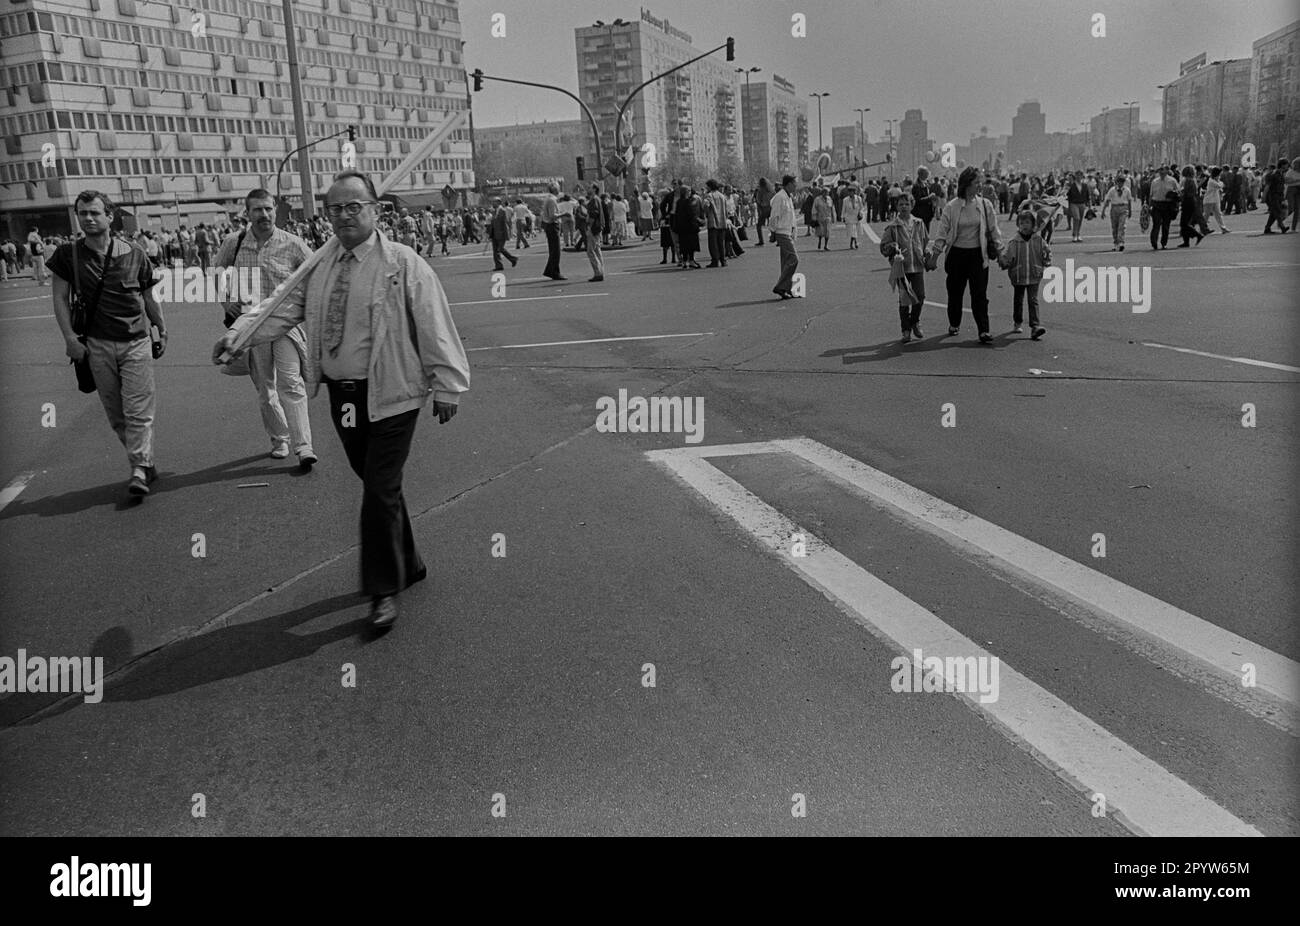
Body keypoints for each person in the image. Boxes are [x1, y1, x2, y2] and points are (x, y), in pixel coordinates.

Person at [213, 170, 470, 630]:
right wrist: (239, 335)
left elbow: (434, 322)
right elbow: (282, 304)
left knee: (378, 486)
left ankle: (381, 591)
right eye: (336, 208)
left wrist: (447, 383)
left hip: (394, 392)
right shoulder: (321, 264)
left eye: (354, 206)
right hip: (344, 396)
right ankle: (407, 562)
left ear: (376, 209)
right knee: (378, 485)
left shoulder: (403, 263)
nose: (345, 215)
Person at [49, 190, 166, 496]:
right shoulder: (68, 255)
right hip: (96, 345)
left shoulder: (134, 252)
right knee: (116, 413)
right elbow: (60, 299)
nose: (87, 218)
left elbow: (148, 296)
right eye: (82, 213)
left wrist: (161, 328)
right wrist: (70, 339)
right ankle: (145, 461)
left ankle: (139, 468)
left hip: (137, 342)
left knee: (138, 409)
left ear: (109, 217)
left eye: (94, 213)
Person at [215, 188, 318, 469]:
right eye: (257, 210)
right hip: (251, 329)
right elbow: (216, 271)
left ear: (275, 210)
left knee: (291, 383)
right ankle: (279, 438)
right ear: (247, 214)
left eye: (269, 209)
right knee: (266, 389)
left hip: (285, 326)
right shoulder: (233, 243)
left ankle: (303, 445)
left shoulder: (293, 243)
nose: (264, 214)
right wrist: (226, 303)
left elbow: (316, 275)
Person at [928, 166, 1001, 343]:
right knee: (955, 293)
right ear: (967, 184)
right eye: (977, 183)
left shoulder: (985, 204)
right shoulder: (951, 207)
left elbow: (994, 230)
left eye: (980, 183)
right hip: (957, 256)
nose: (980, 186)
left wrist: (1001, 253)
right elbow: (942, 233)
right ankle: (954, 323)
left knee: (979, 295)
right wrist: (934, 257)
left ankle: (984, 330)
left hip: (978, 255)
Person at [879, 192, 929, 343]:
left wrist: (927, 253)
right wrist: (891, 247)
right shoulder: (892, 227)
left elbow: (925, 242)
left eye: (907, 204)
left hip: (918, 266)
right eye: (901, 204)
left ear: (912, 205)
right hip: (901, 268)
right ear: (897, 207)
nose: (904, 207)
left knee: (920, 296)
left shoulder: (919, 223)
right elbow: (883, 247)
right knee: (904, 299)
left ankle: (915, 321)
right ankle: (905, 329)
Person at [998, 210, 1049, 340]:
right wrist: (1003, 261)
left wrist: (1047, 258)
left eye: (1027, 222)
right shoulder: (1014, 242)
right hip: (1019, 275)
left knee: (1033, 300)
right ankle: (1018, 322)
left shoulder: (1038, 240)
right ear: (1018, 225)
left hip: (1034, 274)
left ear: (1033, 224)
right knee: (1018, 300)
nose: (1024, 225)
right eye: (1021, 223)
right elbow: (1008, 257)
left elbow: (1046, 253)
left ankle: (1035, 326)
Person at [769, 174, 799, 299]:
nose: (796, 186)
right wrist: (773, 232)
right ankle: (780, 286)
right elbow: (774, 216)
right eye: (794, 184)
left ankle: (786, 288)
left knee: (786, 261)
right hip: (781, 232)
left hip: (788, 232)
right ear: (788, 184)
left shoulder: (788, 197)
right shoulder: (780, 197)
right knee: (794, 259)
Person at [1099, 174, 1136, 251]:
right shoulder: (1112, 190)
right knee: (1114, 227)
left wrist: (1130, 211)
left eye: (1122, 181)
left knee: (1122, 226)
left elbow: (1129, 201)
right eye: (1119, 181)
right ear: (1116, 182)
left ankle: (1121, 242)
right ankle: (1116, 243)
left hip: (1123, 208)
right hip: (1114, 208)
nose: (1120, 183)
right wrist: (1103, 211)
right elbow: (1107, 200)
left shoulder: (1127, 190)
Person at [1147, 165, 1179, 250]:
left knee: (1165, 225)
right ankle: (1154, 243)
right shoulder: (1154, 181)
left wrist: (1174, 197)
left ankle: (1163, 243)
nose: (1161, 172)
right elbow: (1151, 195)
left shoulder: (1172, 181)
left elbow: (1178, 193)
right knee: (1156, 224)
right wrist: (1149, 207)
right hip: (1156, 205)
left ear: (1167, 171)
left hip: (1167, 205)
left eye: (1163, 170)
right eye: (1160, 170)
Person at [672, 184, 703, 269]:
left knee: (684, 245)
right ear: (686, 192)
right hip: (690, 227)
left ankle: (685, 261)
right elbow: (691, 214)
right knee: (691, 245)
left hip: (681, 227)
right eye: (689, 191)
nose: (690, 192)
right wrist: (699, 221)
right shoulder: (688, 201)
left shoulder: (678, 202)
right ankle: (692, 261)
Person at [539, 182, 565, 280]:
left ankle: (550, 270)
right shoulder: (552, 200)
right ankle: (554, 272)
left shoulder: (548, 199)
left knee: (553, 250)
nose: (559, 190)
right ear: (555, 189)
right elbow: (552, 216)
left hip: (549, 225)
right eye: (558, 188)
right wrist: (564, 214)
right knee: (555, 251)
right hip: (552, 225)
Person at [1177, 166, 1207, 247]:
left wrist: (1180, 195)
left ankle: (1197, 235)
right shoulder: (1193, 180)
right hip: (1192, 201)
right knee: (1185, 223)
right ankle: (1186, 241)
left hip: (1188, 202)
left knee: (1184, 223)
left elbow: (1185, 192)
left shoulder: (1188, 180)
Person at [488, 197, 519, 271]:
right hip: (494, 234)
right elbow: (493, 223)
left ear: (498, 202)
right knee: (495, 251)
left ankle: (513, 258)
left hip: (501, 233)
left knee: (501, 249)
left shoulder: (503, 211)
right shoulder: (494, 211)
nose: (492, 203)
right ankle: (499, 266)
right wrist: (490, 233)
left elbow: (505, 223)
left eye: (494, 202)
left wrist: (507, 235)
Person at [583, 183, 606, 281]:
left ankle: (598, 272)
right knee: (597, 250)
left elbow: (593, 214)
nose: (588, 189)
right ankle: (600, 271)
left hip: (594, 227)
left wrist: (589, 226)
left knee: (590, 251)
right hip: (598, 226)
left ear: (594, 189)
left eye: (590, 187)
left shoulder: (594, 200)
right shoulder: (597, 199)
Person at [704, 179, 728, 268]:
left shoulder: (709, 195)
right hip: (722, 221)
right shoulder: (722, 196)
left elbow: (706, 206)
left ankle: (715, 260)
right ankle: (723, 260)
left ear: (710, 186)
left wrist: (706, 212)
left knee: (713, 243)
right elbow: (726, 209)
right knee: (721, 242)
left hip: (713, 221)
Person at [1262, 159, 1289, 234]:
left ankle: (1267, 228)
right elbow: (1267, 186)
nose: (1287, 166)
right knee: (1278, 211)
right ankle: (1282, 227)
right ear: (1282, 165)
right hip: (1273, 195)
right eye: (1286, 164)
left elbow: (1282, 186)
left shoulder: (1281, 173)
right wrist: (1264, 196)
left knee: (1273, 214)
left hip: (1279, 196)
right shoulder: (1273, 174)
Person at [1202, 167, 1230, 234]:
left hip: (1215, 200)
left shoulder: (1215, 180)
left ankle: (1223, 228)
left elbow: (1221, 185)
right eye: (1219, 174)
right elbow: (1220, 185)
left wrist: (1220, 182)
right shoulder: (1211, 181)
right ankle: (1202, 228)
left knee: (1218, 214)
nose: (1220, 175)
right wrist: (1221, 182)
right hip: (1209, 201)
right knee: (1206, 215)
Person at [658, 187, 677, 265]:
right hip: (668, 222)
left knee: (667, 241)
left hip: (666, 222)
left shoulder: (665, 203)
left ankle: (669, 258)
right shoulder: (670, 202)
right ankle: (671, 258)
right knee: (669, 241)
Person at [842, 185, 864, 249]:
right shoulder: (845, 200)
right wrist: (842, 217)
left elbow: (861, 207)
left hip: (856, 216)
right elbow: (843, 209)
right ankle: (854, 243)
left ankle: (853, 243)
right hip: (849, 217)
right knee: (852, 230)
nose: (850, 193)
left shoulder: (859, 198)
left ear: (854, 192)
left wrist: (860, 213)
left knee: (855, 231)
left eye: (851, 192)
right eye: (849, 192)